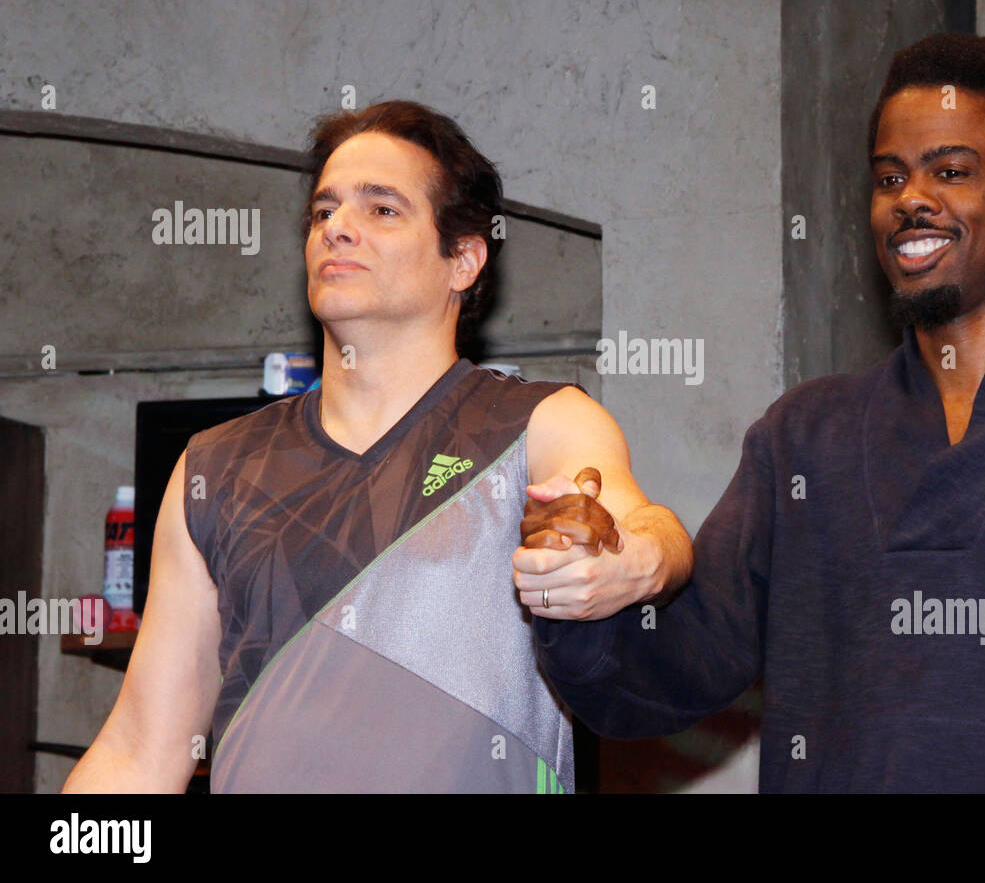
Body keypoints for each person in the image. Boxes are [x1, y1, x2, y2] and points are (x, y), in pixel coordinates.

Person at [524, 34, 985, 792]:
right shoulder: (804, 440)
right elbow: (663, 679)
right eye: (889, 177)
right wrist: (578, 588)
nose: (911, 198)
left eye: (950, 171)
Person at [63, 100, 691, 793]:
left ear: (464, 259)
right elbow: (139, 753)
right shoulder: (213, 468)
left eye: (382, 209)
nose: (338, 228)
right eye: (323, 211)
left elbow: (650, 529)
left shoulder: (540, 423)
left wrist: (631, 563)